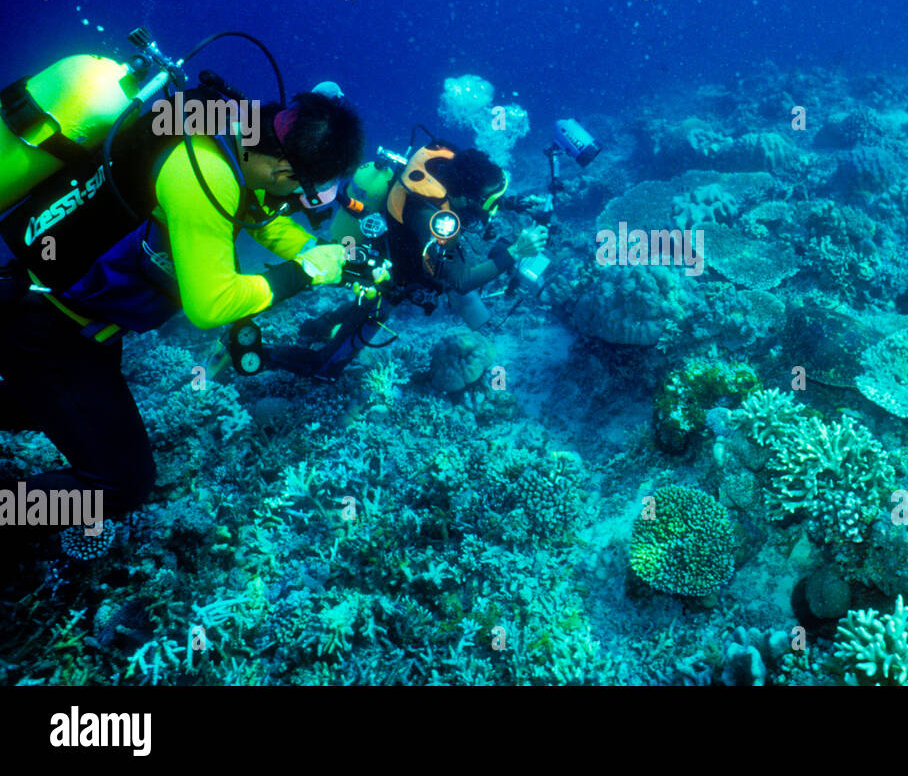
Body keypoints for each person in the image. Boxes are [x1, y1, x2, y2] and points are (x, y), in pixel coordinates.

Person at [0, 85, 364, 557]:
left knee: (40, 406)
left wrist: (315, 251)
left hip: (68, 320)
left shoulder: (234, 130)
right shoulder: (204, 176)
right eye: (302, 190)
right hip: (47, 328)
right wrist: (307, 273)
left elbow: (259, 217)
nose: (300, 201)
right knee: (120, 482)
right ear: (283, 167)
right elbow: (210, 305)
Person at [264, 140, 549, 380]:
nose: (492, 210)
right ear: (466, 196)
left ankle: (316, 327)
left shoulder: (445, 172)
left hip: (393, 254)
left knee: (372, 304)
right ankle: (255, 353)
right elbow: (460, 281)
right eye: (491, 201)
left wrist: (513, 202)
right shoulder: (438, 222)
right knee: (327, 368)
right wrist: (516, 252)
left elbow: (475, 195)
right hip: (390, 278)